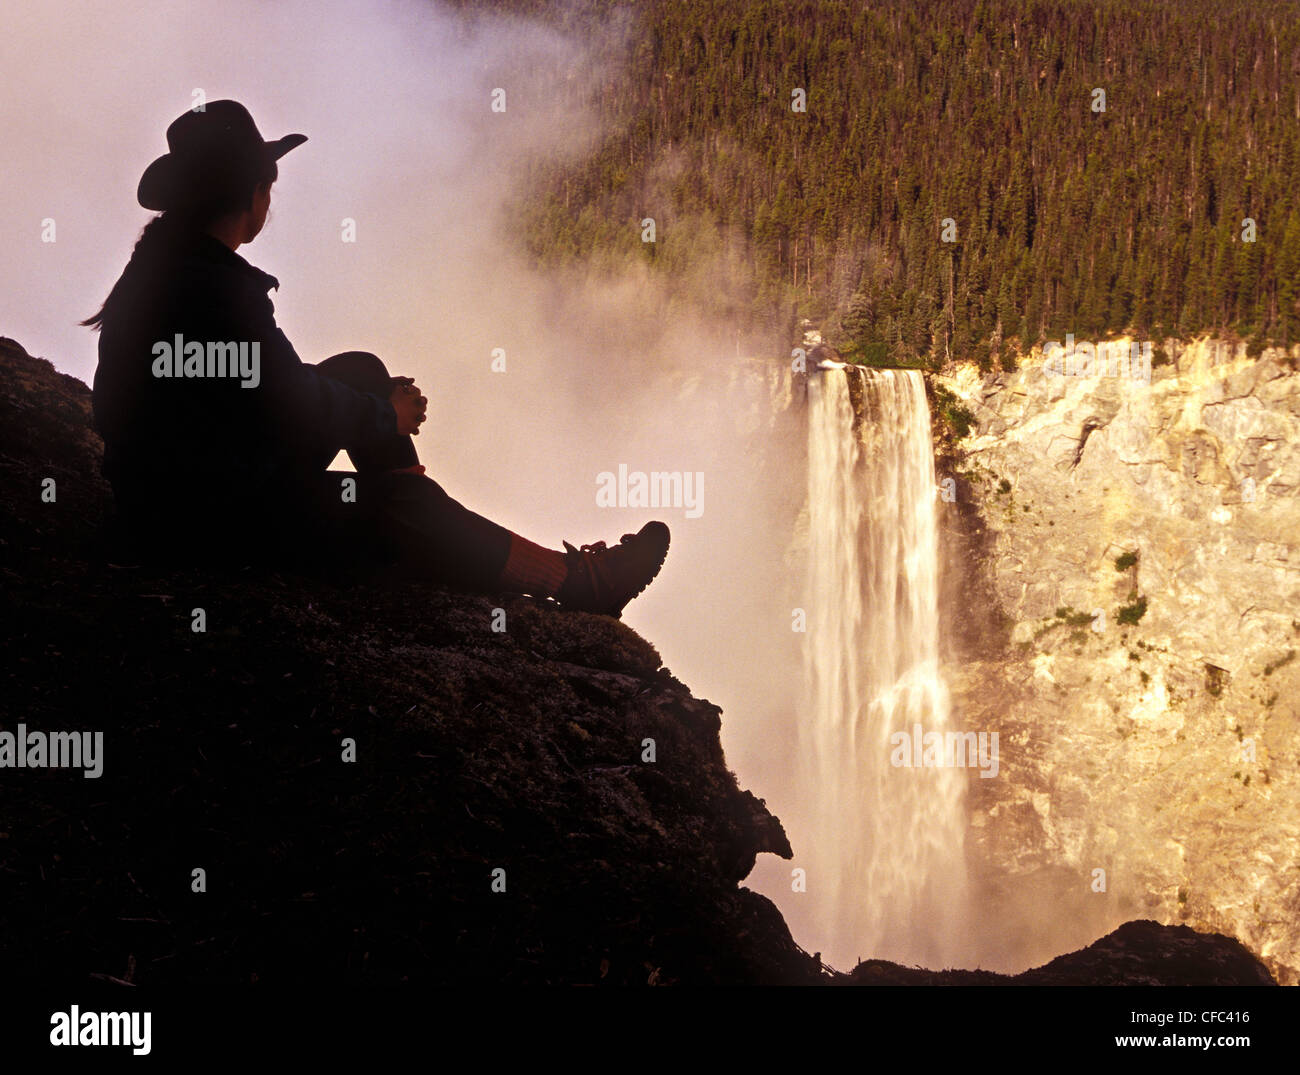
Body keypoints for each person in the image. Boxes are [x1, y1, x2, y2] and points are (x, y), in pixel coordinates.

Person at [85, 100, 669, 617]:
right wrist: (386, 417)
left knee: (360, 371)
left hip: (184, 481)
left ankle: (420, 513)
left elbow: (258, 390)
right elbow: (293, 400)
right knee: (390, 501)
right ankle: (576, 582)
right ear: (249, 195)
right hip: (200, 521)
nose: (271, 200)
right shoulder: (217, 292)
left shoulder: (171, 264)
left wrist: (369, 405)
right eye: (270, 187)